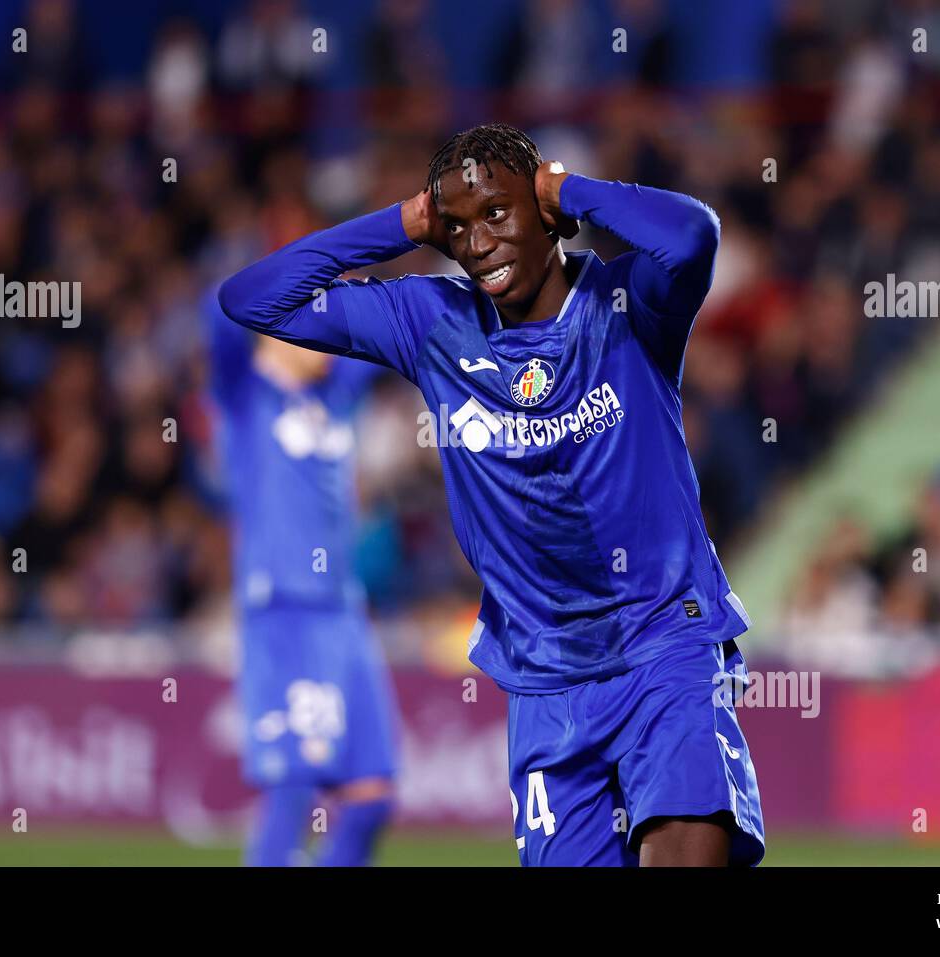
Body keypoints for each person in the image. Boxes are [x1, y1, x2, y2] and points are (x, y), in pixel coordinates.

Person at [218, 124, 763, 866]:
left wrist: (568, 190)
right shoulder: (430, 323)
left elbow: (693, 235)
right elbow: (254, 299)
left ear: (544, 212)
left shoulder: (630, 306)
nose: (478, 242)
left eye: (499, 213)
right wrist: (403, 222)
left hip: (662, 646)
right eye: (459, 226)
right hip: (545, 683)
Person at [205, 290, 399, 866]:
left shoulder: (334, 395)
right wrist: (292, 278)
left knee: (371, 798)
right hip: (285, 612)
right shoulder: (245, 398)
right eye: (314, 324)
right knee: (293, 789)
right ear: (273, 332)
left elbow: (390, 329)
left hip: (345, 617)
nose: (330, 341)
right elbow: (215, 310)